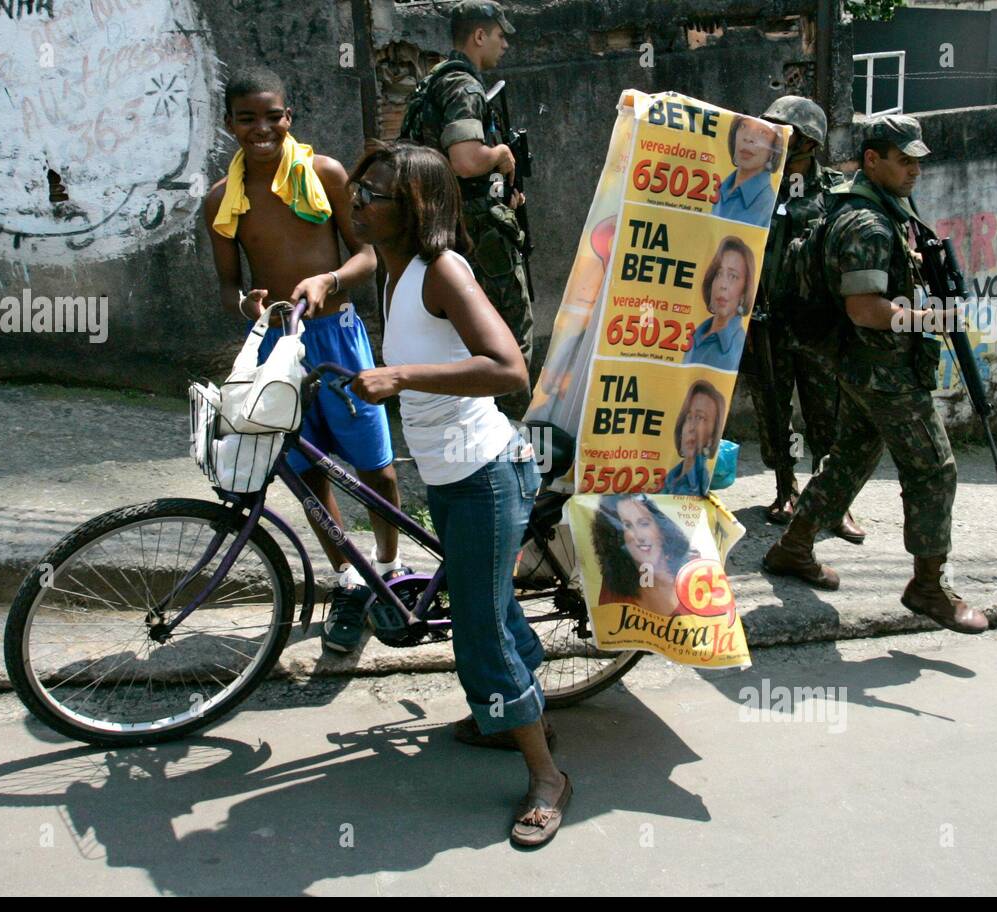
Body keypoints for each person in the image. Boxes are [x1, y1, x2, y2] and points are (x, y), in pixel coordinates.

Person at [345, 140, 570, 848]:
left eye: (372, 193)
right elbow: (353, 265)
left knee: (478, 628)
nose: (358, 200)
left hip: (484, 473)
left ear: (412, 207)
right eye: (357, 188)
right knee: (492, 608)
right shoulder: (393, 267)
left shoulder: (442, 269)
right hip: (450, 474)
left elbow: (509, 368)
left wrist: (403, 377)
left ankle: (546, 777)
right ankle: (522, 710)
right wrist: (322, 285)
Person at [202, 68, 406, 655]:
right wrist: (244, 303)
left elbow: (370, 255)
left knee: (378, 467)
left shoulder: (325, 174)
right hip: (275, 347)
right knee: (306, 471)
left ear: (289, 118)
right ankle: (348, 578)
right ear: (230, 125)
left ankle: (388, 572)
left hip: (337, 338)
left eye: (274, 116)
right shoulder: (223, 200)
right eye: (248, 118)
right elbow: (226, 286)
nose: (262, 129)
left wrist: (330, 278)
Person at [762, 116, 989, 634]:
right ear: (872, 159)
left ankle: (793, 548)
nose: (914, 171)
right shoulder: (867, 223)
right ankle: (927, 587)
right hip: (882, 368)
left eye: (917, 162)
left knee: (851, 458)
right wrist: (930, 318)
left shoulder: (881, 206)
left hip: (864, 364)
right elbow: (864, 308)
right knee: (933, 468)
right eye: (903, 160)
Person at [399, 0, 533, 419]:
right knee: (512, 335)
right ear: (479, 36)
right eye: (499, 34)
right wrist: (500, 155)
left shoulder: (433, 81)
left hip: (444, 226)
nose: (504, 43)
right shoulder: (464, 86)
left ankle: (475, 425)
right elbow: (465, 159)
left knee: (464, 335)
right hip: (475, 232)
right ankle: (515, 437)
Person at [742, 94, 865, 542]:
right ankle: (784, 489)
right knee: (772, 412)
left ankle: (833, 500)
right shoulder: (750, 187)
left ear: (808, 143)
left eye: (784, 132)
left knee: (826, 417)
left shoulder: (835, 191)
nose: (771, 138)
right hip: (765, 323)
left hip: (817, 327)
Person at [591, 495, 692, 615]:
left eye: (644, 523)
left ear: (661, 529)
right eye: (627, 526)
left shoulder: (695, 571)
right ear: (615, 539)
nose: (639, 536)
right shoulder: (615, 591)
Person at [683, 236, 754, 371]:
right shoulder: (697, 332)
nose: (723, 285)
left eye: (733, 276)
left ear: (744, 291)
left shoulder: (738, 348)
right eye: (719, 274)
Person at [711, 114, 783, 228]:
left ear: (773, 150)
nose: (748, 138)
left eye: (762, 132)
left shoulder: (768, 205)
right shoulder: (722, 187)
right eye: (743, 126)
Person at [661, 381, 726, 495]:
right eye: (689, 417)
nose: (691, 428)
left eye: (700, 418)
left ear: (713, 435)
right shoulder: (671, 476)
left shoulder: (696, 486)